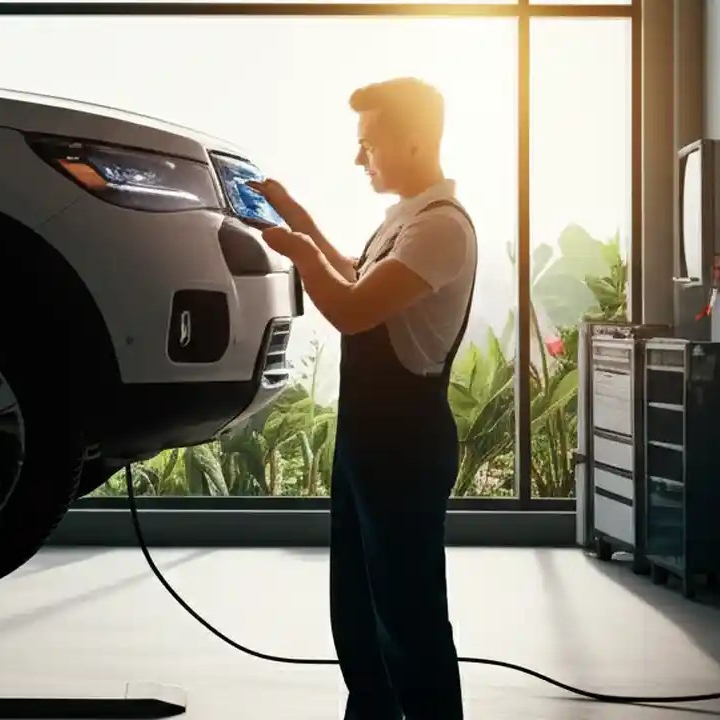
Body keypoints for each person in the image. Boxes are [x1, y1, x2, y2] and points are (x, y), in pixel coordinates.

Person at [247, 77, 477, 720]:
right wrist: (294, 215)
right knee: (356, 607)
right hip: (367, 442)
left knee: (409, 614)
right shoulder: (404, 220)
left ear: (411, 142)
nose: (359, 159)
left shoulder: (442, 229)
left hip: (405, 442)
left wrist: (295, 250)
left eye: (368, 144)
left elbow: (351, 307)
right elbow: (354, 272)